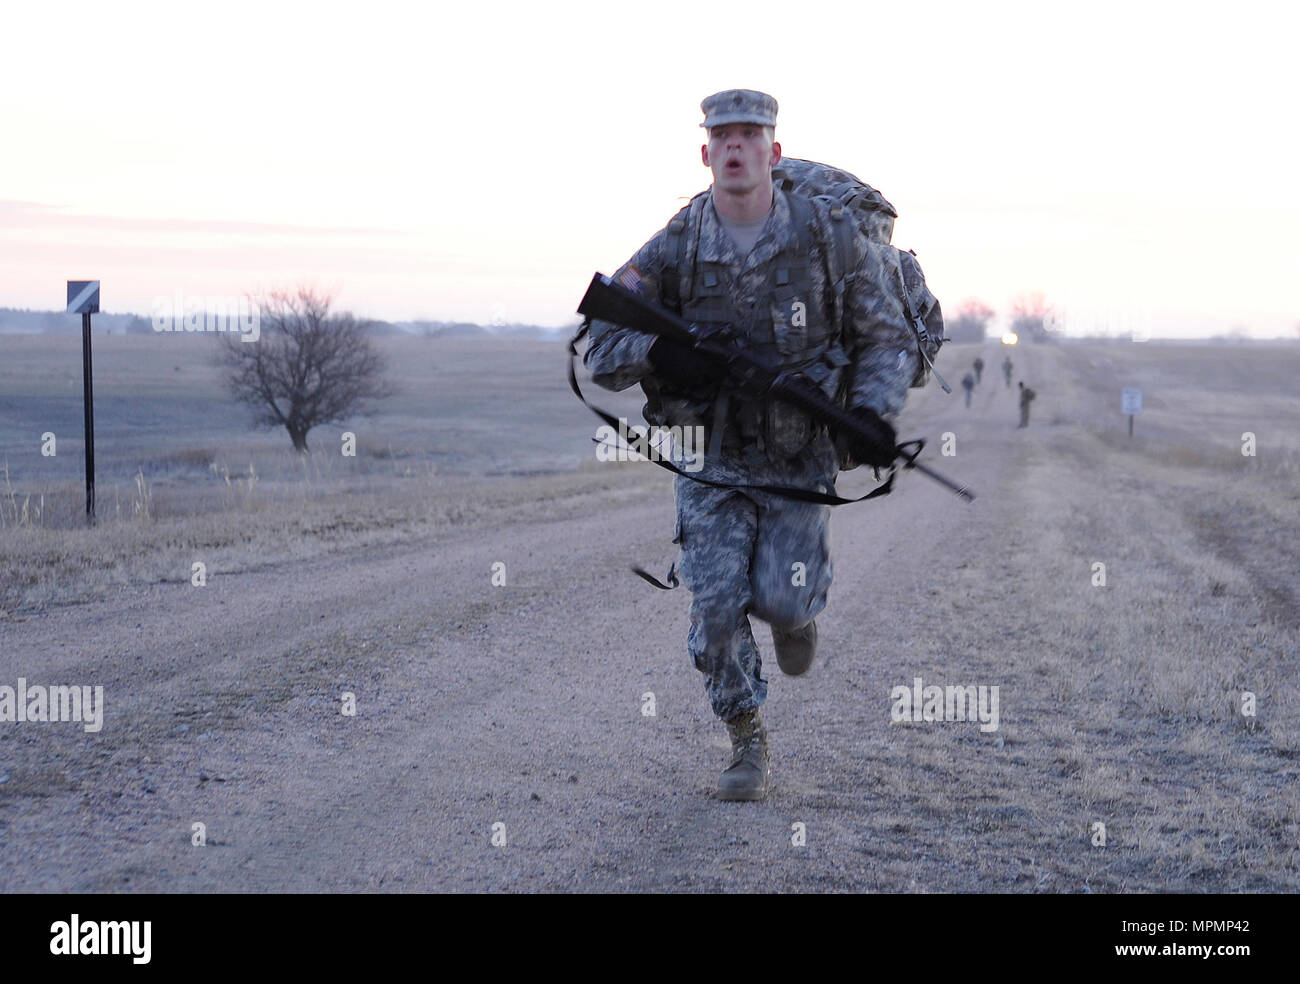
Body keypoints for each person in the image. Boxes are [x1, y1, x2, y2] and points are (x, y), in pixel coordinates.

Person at [583, 89, 920, 802]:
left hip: (800, 457)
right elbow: (601, 340)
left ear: (773, 150)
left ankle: (795, 619)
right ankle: (746, 739)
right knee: (712, 608)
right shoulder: (681, 238)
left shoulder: (827, 235)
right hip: (712, 457)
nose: (736, 147)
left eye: (750, 135)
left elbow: (886, 335)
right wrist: (662, 355)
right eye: (722, 137)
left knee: (786, 601)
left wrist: (871, 412)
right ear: (706, 155)